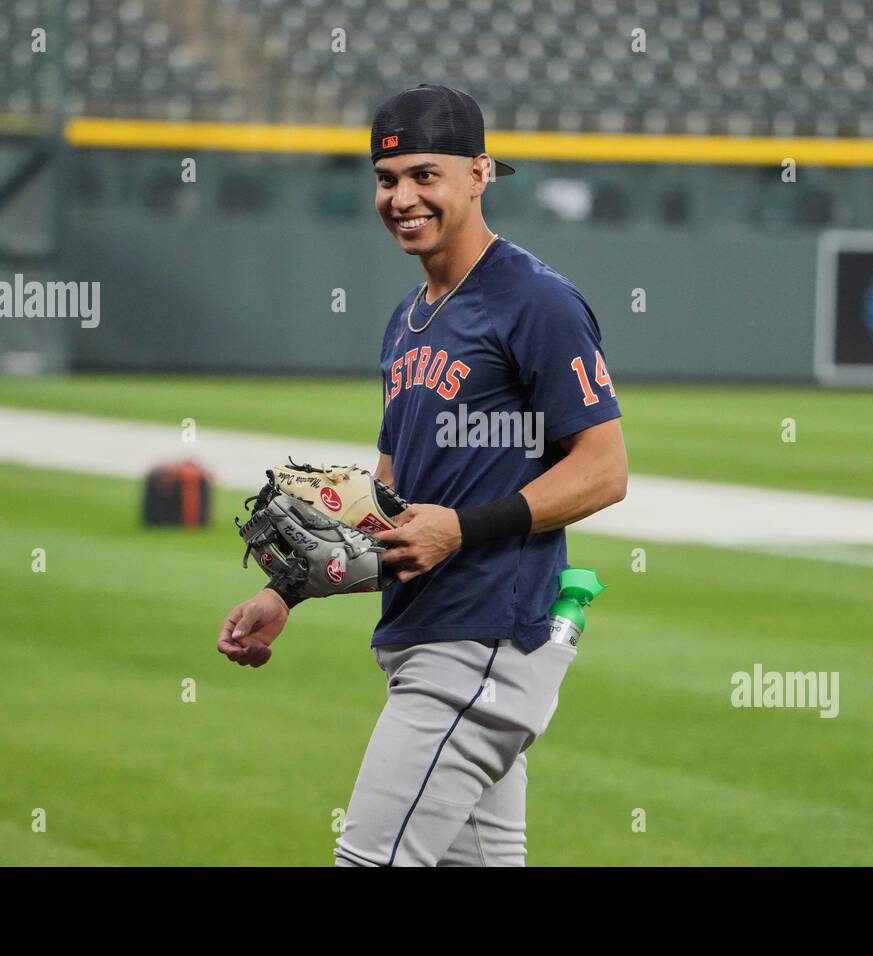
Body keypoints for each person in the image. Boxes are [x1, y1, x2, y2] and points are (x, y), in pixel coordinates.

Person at [218, 84, 627, 866]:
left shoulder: (534, 300)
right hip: (429, 638)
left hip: (482, 642)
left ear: (479, 175)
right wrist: (287, 591)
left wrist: (462, 528)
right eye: (387, 178)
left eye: (424, 176)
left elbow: (605, 472)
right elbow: (390, 504)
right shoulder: (408, 319)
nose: (402, 197)